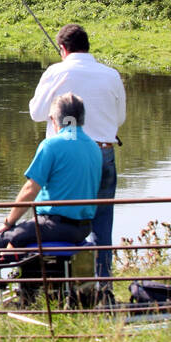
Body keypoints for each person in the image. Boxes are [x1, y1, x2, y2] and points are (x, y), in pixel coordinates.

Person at [0, 93, 102, 305]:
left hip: (54, 225)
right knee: (27, 238)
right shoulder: (94, 147)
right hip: (82, 227)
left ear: (54, 119)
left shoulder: (52, 145)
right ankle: (27, 298)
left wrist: (8, 223)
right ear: (82, 118)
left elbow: (29, 189)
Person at [28, 23, 126, 291]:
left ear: (63, 49)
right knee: (102, 222)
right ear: (87, 46)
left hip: (65, 157)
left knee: (60, 221)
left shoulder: (55, 72)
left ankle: (62, 285)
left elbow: (36, 114)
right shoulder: (112, 74)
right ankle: (102, 286)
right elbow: (120, 119)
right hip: (103, 153)